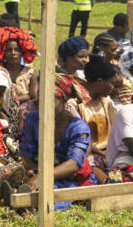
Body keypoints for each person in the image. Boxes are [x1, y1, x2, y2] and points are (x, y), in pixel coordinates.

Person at [18, 75, 96, 210]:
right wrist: (35, 172)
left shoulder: (78, 127)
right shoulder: (33, 119)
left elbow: (73, 164)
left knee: (50, 196)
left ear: (63, 100)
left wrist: (42, 177)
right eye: (40, 98)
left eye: (49, 100)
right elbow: (26, 155)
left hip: (68, 178)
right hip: (38, 172)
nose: (42, 104)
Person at [78, 55, 118, 180]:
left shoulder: (106, 102)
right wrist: (102, 154)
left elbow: (114, 132)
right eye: (111, 84)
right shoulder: (77, 104)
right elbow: (82, 139)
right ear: (99, 81)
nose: (113, 88)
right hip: (88, 153)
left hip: (109, 152)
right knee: (94, 169)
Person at [56, 37, 92, 115]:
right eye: (81, 56)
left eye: (86, 56)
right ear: (68, 58)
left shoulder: (79, 77)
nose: (85, 60)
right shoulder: (58, 80)